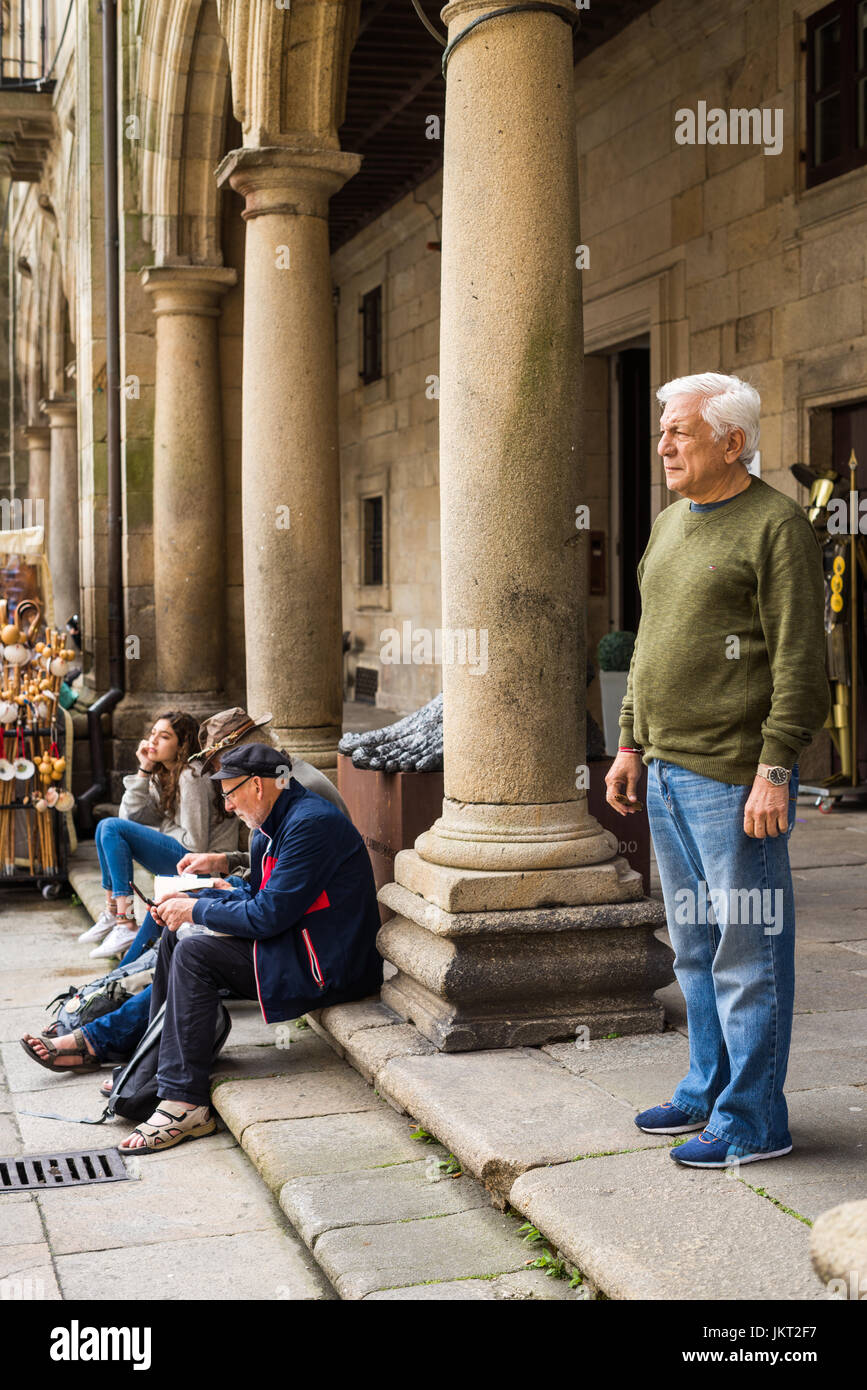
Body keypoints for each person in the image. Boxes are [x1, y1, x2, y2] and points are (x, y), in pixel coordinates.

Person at [605, 372, 830, 1169]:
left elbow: (803, 659)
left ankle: (752, 1121)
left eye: (679, 432)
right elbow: (646, 644)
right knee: (695, 947)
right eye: (662, 430)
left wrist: (777, 767)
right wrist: (629, 742)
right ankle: (706, 1088)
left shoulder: (775, 527)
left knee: (749, 949)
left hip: (736, 778)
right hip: (666, 770)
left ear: (731, 443)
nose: (663, 444)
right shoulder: (669, 525)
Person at [18, 708, 349, 1084]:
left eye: (223, 767)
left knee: (190, 948)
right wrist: (225, 874)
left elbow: (278, 899)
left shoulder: (301, 805)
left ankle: (119, 1046)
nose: (221, 790)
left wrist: (200, 907)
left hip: (307, 943)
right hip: (288, 919)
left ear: (252, 770)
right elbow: (273, 872)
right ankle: (119, 1031)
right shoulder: (276, 796)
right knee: (174, 927)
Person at [118, 744, 382, 1152]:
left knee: (194, 952)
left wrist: (197, 908)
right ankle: (153, 1071)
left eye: (229, 793)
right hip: (296, 943)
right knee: (175, 936)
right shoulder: (272, 824)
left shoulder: (311, 824)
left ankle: (185, 1103)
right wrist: (216, 893)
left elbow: (267, 916)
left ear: (257, 786)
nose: (226, 806)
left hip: (328, 964)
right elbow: (265, 895)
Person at [79, 710, 240, 960]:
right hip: (185, 857)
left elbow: (196, 843)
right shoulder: (166, 773)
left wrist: (162, 828)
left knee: (110, 827)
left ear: (182, 744)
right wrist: (144, 770)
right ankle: (116, 912)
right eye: (152, 734)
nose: (153, 741)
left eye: (164, 736)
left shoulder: (191, 776)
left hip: (203, 865)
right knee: (105, 828)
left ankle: (125, 921)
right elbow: (129, 816)